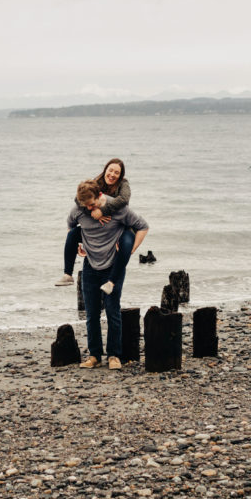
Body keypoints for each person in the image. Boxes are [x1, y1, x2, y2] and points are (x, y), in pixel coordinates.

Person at [67, 179, 149, 370]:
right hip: (90, 267)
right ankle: (95, 355)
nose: (89, 208)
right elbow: (71, 226)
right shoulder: (80, 209)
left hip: (113, 268)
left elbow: (143, 226)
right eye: (85, 205)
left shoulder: (118, 209)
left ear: (100, 196)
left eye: (92, 204)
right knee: (92, 314)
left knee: (113, 312)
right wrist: (79, 244)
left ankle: (114, 355)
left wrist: (131, 250)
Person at [55, 158, 134, 292]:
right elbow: (78, 199)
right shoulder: (96, 182)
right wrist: (93, 213)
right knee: (72, 234)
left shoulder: (123, 184)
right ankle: (68, 274)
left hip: (117, 226)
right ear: (105, 170)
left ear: (121, 175)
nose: (112, 175)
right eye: (110, 170)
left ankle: (112, 281)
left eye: (117, 172)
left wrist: (103, 211)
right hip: (96, 226)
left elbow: (123, 200)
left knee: (127, 241)